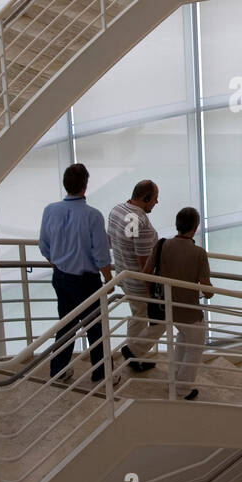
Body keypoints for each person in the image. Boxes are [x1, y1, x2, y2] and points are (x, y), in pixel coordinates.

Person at [38, 163, 120, 387]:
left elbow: (44, 246)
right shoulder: (93, 216)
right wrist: (109, 280)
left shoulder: (50, 210)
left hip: (61, 277)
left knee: (66, 324)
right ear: (85, 185)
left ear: (66, 185)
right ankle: (102, 374)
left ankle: (59, 371)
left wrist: (58, 265)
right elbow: (101, 254)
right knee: (96, 327)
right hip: (86, 281)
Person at [150, 206, 214, 399]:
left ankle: (175, 380)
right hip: (189, 311)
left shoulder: (162, 245)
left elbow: (146, 272)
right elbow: (207, 289)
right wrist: (210, 292)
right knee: (194, 348)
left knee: (182, 342)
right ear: (195, 228)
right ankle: (183, 388)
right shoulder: (199, 253)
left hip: (169, 309)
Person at [107, 178, 160, 373]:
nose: (156, 202)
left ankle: (135, 355)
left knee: (138, 316)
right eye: (155, 198)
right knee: (157, 318)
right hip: (138, 283)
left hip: (123, 275)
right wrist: (153, 291)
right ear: (145, 198)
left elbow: (111, 241)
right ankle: (134, 352)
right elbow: (144, 262)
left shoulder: (117, 210)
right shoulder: (141, 221)